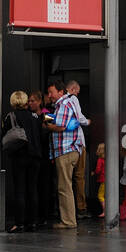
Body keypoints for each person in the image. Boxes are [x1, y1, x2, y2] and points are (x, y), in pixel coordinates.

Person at [2, 90, 43, 232]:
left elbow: (4, 134)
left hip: (19, 156)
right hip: (35, 156)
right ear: (25, 101)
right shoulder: (35, 116)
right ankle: (33, 222)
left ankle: (19, 223)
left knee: (20, 189)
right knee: (33, 189)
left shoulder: (10, 116)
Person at [43, 82, 82, 228]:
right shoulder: (62, 105)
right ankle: (69, 219)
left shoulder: (64, 104)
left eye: (51, 92)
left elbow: (60, 126)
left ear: (60, 91)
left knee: (64, 187)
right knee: (65, 185)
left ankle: (68, 221)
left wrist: (47, 123)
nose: (49, 95)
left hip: (65, 150)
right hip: (68, 150)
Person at [66, 81, 92, 219]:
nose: (78, 94)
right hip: (77, 143)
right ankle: (81, 207)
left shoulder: (59, 103)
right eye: (77, 91)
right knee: (79, 176)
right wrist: (88, 121)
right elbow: (79, 117)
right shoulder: (72, 98)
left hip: (65, 146)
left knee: (66, 178)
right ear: (73, 89)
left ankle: (68, 209)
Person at [31, 91, 56, 227]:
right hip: (36, 154)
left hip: (46, 153)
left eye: (33, 101)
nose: (30, 104)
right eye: (29, 101)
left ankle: (46, 214)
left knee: (46, 185)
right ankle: (38, 213)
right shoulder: (31, 116)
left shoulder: (48, 113)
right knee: (37, 184)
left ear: (40, 102)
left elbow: (48, 132)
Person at [93, 142, 106, 217]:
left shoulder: (100, 160)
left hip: (103, 180)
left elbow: (98, 170)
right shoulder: (108, 159)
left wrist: (94, 173)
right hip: (108, 180)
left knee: (100, 196)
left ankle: (105, 211)